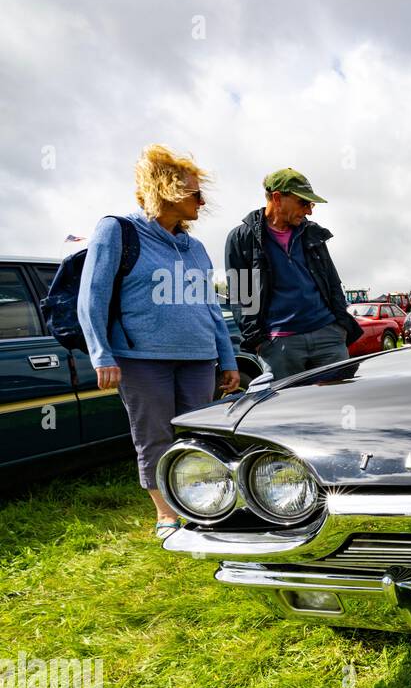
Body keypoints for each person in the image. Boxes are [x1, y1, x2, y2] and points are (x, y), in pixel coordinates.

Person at [78, 144, 239, 538]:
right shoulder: (117, 230)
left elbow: (210, 307)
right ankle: (167, 513)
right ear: (167, 189)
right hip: (141, 358)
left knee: (200, 436)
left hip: (199, 357)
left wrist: (228, 358)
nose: (203, 202)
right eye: (195, 193)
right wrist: (102, 354)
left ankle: (204, 504)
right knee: (155, 436)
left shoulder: (196, 247)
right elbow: (91, 297)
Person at [224, 168, 362, 379]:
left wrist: (340, 326)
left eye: (311, 204)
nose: (309, 211)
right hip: (279, 346)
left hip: (329, 337)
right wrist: (260, 343)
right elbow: (240, 296)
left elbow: (333, 282)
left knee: (338, 407)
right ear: (278, 198)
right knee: (290, 411)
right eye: (303, 202)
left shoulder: (312, 232)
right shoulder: (241, 238)